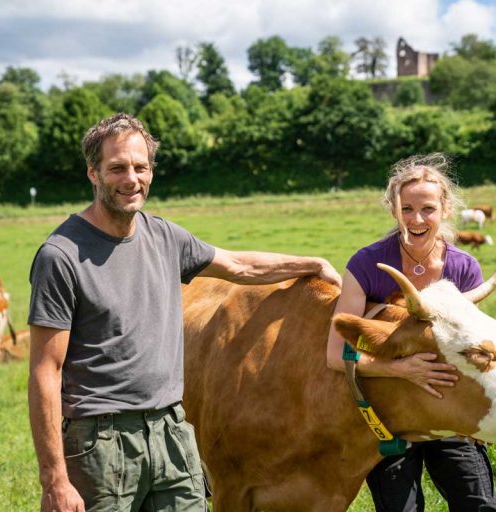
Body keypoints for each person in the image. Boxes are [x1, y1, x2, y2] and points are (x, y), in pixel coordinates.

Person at [27, 112, 341, 512]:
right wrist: (54, 478)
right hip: (100, 442)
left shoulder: (165, 237)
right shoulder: (61, 256)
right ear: (93, 173)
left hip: (172, 430)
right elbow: (44, 371)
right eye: (117, 168)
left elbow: (240, 266)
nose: (131, 179)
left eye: (141, 167)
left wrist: (310, 264)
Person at [326, 154, 496, 512]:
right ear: (393, 209)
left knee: (479, 506)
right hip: (391, 418)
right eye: (407, 208)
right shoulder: (366, 264)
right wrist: (401, 370)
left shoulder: (464, 267)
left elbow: (470, 349)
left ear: (446, 209)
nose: (417, 219)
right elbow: (335, 355)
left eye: (428, 208)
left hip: (447, 412)